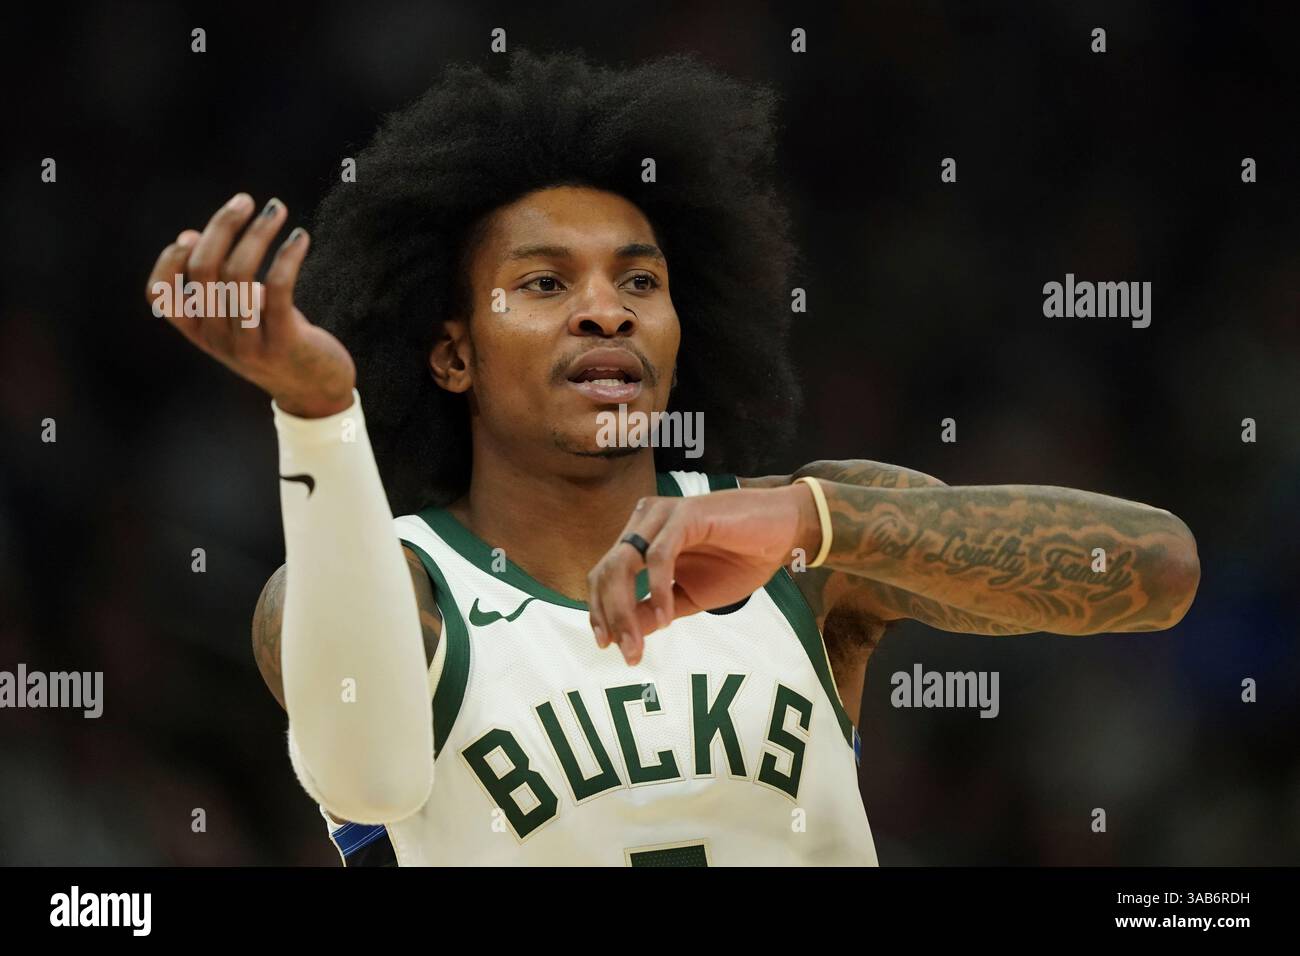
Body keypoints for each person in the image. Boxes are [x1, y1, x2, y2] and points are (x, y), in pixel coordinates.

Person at [145, 52, 1199, 866]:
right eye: (546, 283)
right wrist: (321, 412)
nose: (607, 307)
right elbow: (367, 776)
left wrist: (805, 517)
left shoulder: (804, 540)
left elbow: (1155, 572)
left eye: (639, 281)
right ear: (454, 351)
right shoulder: (399, 591)